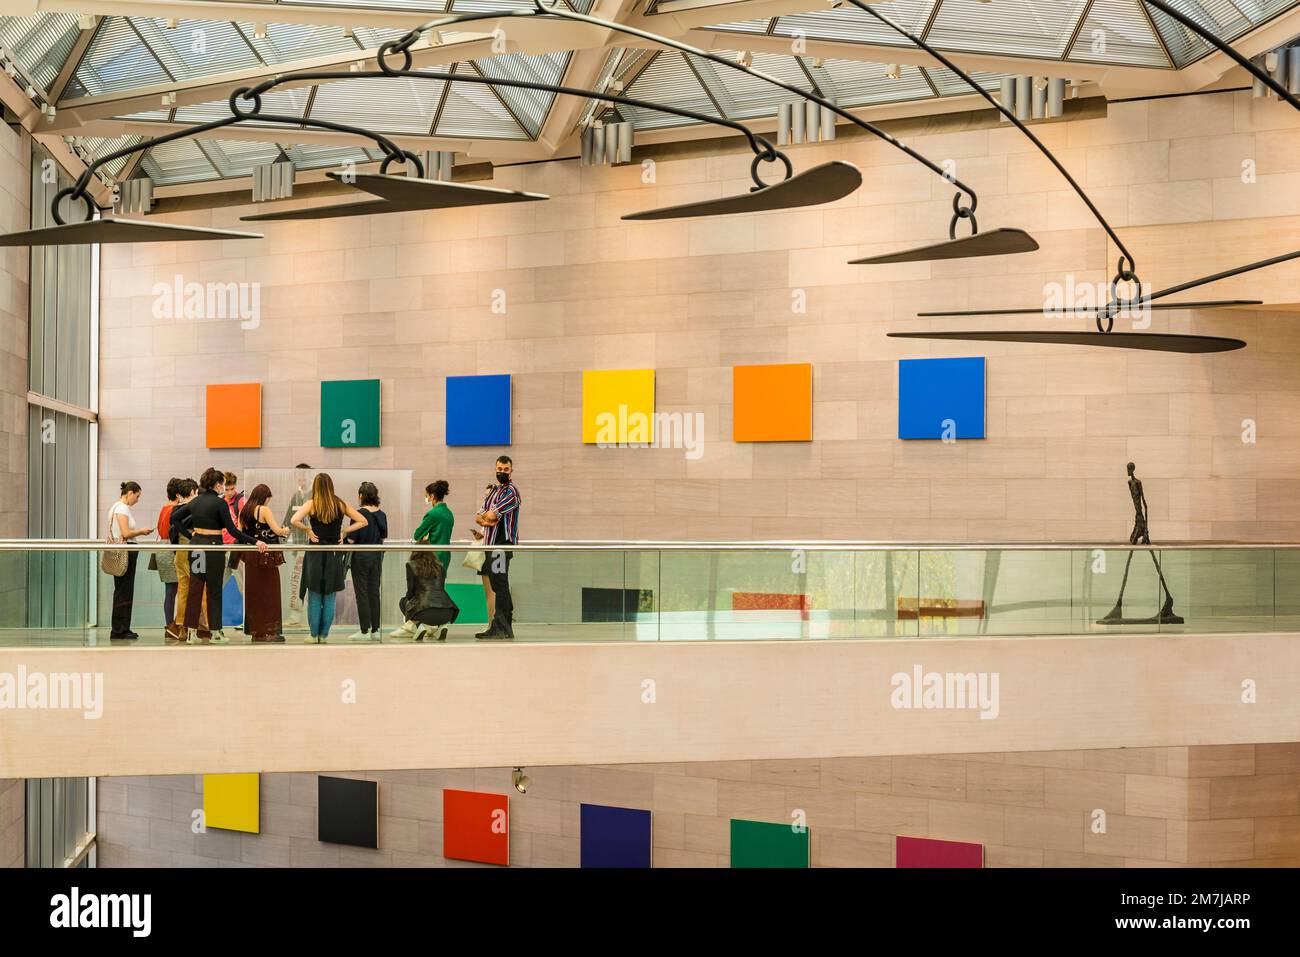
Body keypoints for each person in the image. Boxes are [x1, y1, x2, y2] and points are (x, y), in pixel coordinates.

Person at [170, 467, 268, 644]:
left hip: (197, 548)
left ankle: (191, 633)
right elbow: (232, 531)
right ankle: (216, 632)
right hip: (214, 550)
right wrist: (255, 541)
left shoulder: (196, 501)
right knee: (214, 590)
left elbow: (175, 518)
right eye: (222, 484)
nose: (224, 487)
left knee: (195, 589)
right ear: (217, 485)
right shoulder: (220, 503)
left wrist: (190, 534)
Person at [291, 473, 368, 644]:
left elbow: (294, 519)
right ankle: (324, 635)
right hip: (334, 552)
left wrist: (308, 531)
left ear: (316, 486)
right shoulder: (340, 504)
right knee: (330, 595)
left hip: (316, 553)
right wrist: (344, 531)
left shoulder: (311, 504)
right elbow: (363, 521)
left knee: (315, 593)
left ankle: (313, 635)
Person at [475, 456, 520, 640]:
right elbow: (479, 516)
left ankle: (501, 626)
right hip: (490, 544)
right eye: (499, 468)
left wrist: (489, 517)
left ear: (511, 471)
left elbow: (493, 515)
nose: (502, 471)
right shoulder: (493, 492)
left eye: (506, 469)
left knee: (500, 584)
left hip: (501, 546)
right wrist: (487, 518)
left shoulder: (511, 492)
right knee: (496, 583)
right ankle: (502, 625)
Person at [239, 484, 290, 642]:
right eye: (269, 499)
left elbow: (240, 532)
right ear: (265, 497)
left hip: (250, 556)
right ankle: (271, 631)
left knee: (254, 593)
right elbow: (276, 530)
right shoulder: (264, 510)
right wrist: (285, 530)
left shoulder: (244, 510)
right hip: (266, 556)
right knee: (270, 593)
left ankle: (256, 631)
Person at [106, 481, 153, 640]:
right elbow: (125, 533)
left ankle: (120, 627)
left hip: (120, 551)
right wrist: (141, 531)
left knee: (121, 590)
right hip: (126, 551)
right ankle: (120, 629)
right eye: (137, 496)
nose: (137, 500)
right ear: (130, 492)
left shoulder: (114, 507)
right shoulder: (122, 508)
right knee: (124, 591)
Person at [345, 481, 388, 642]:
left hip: (360, 557)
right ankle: (376, 630)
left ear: (361, 496)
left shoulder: (358, 514)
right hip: (376, 556)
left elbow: (350, 540)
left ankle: (364, 630)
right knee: (374, 592)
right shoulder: (382, 514)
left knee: (361, 593)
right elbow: (383, 536)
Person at [168, 478, 207, 642]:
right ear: (193, 492)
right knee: (202, 589)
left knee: (183, 590)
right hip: (194, 550)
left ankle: (181, 627)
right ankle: (205, 627)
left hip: (179, 553)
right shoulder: (194, 509)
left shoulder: (174, 509)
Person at [390, 551, 459, 642]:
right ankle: (439, 627)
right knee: (429, 603)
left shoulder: (411, 565)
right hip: (447, 612)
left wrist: (410, 608)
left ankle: (418, 626)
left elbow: (410, 592)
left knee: (403, 602)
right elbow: (440, 589)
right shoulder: (440, 566)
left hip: (425, 613)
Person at [284, 464, 312, 626]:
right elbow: (288, 518)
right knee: (296, 579)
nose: (301, 480)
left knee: (308, 581)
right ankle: (295, 615)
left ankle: (309, 615)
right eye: (299, 477)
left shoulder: (314, 495)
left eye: (304, 477)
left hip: (310, 545)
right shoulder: (296, 495)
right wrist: (282, 535)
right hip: (298, 545)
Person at [155, 478, 182, 633]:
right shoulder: (175, 509)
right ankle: (172, 625)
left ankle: (170, 624)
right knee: (174, 590)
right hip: (171, 549)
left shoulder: (164, 508)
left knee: (170, 590)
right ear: (178, 494)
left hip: (162, 548)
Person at [413, 480, 454, 573]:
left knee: (430, 585)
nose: (425, 498)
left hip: (433, 557)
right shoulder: (449, 513)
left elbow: (417, 535)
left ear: (432, 496)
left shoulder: (432, 514)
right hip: (445, 555)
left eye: (426, 496)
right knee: (440, 584)